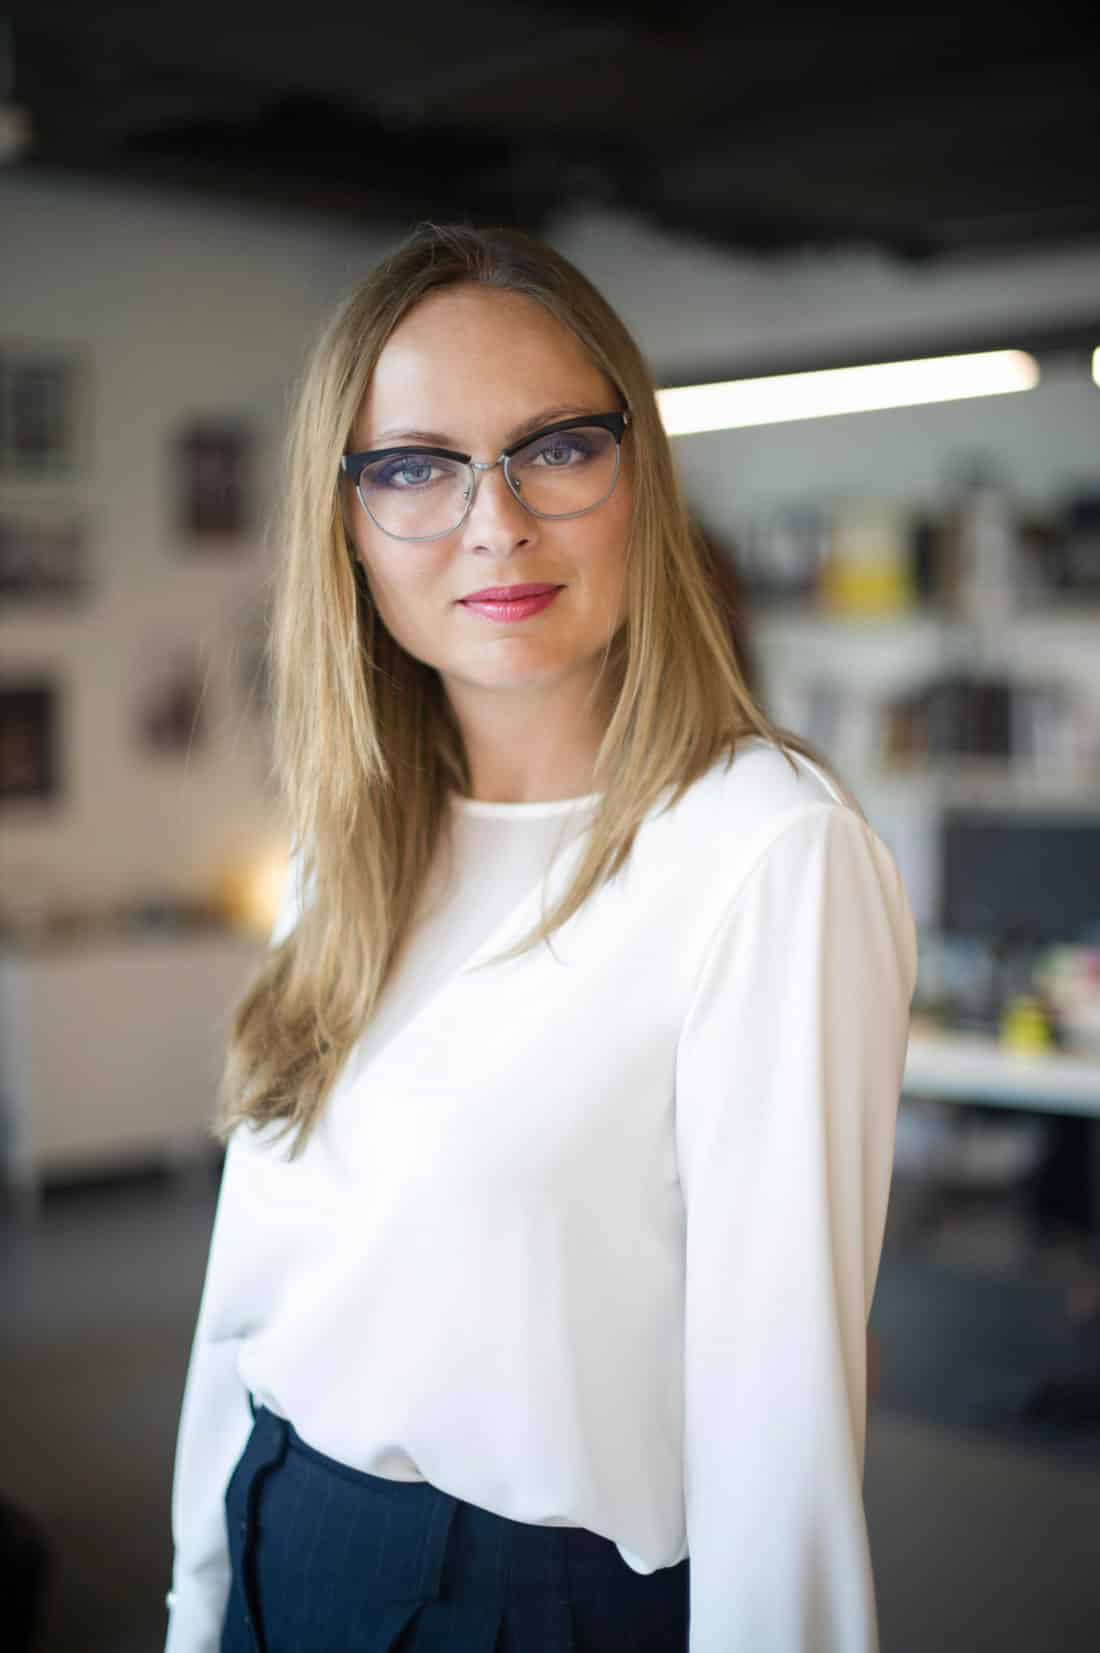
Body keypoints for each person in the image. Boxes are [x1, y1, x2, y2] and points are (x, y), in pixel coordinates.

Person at [165, 222, 917, 1653]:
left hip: (527, 1609)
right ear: (346, 521)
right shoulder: (354, 839)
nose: (496, 522)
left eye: (556, 448)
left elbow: (783, 1427)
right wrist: (197, 1603)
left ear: (640, 478)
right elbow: (250, 1295)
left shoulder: (766, 855)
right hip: (279, 1540)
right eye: (415, 466)